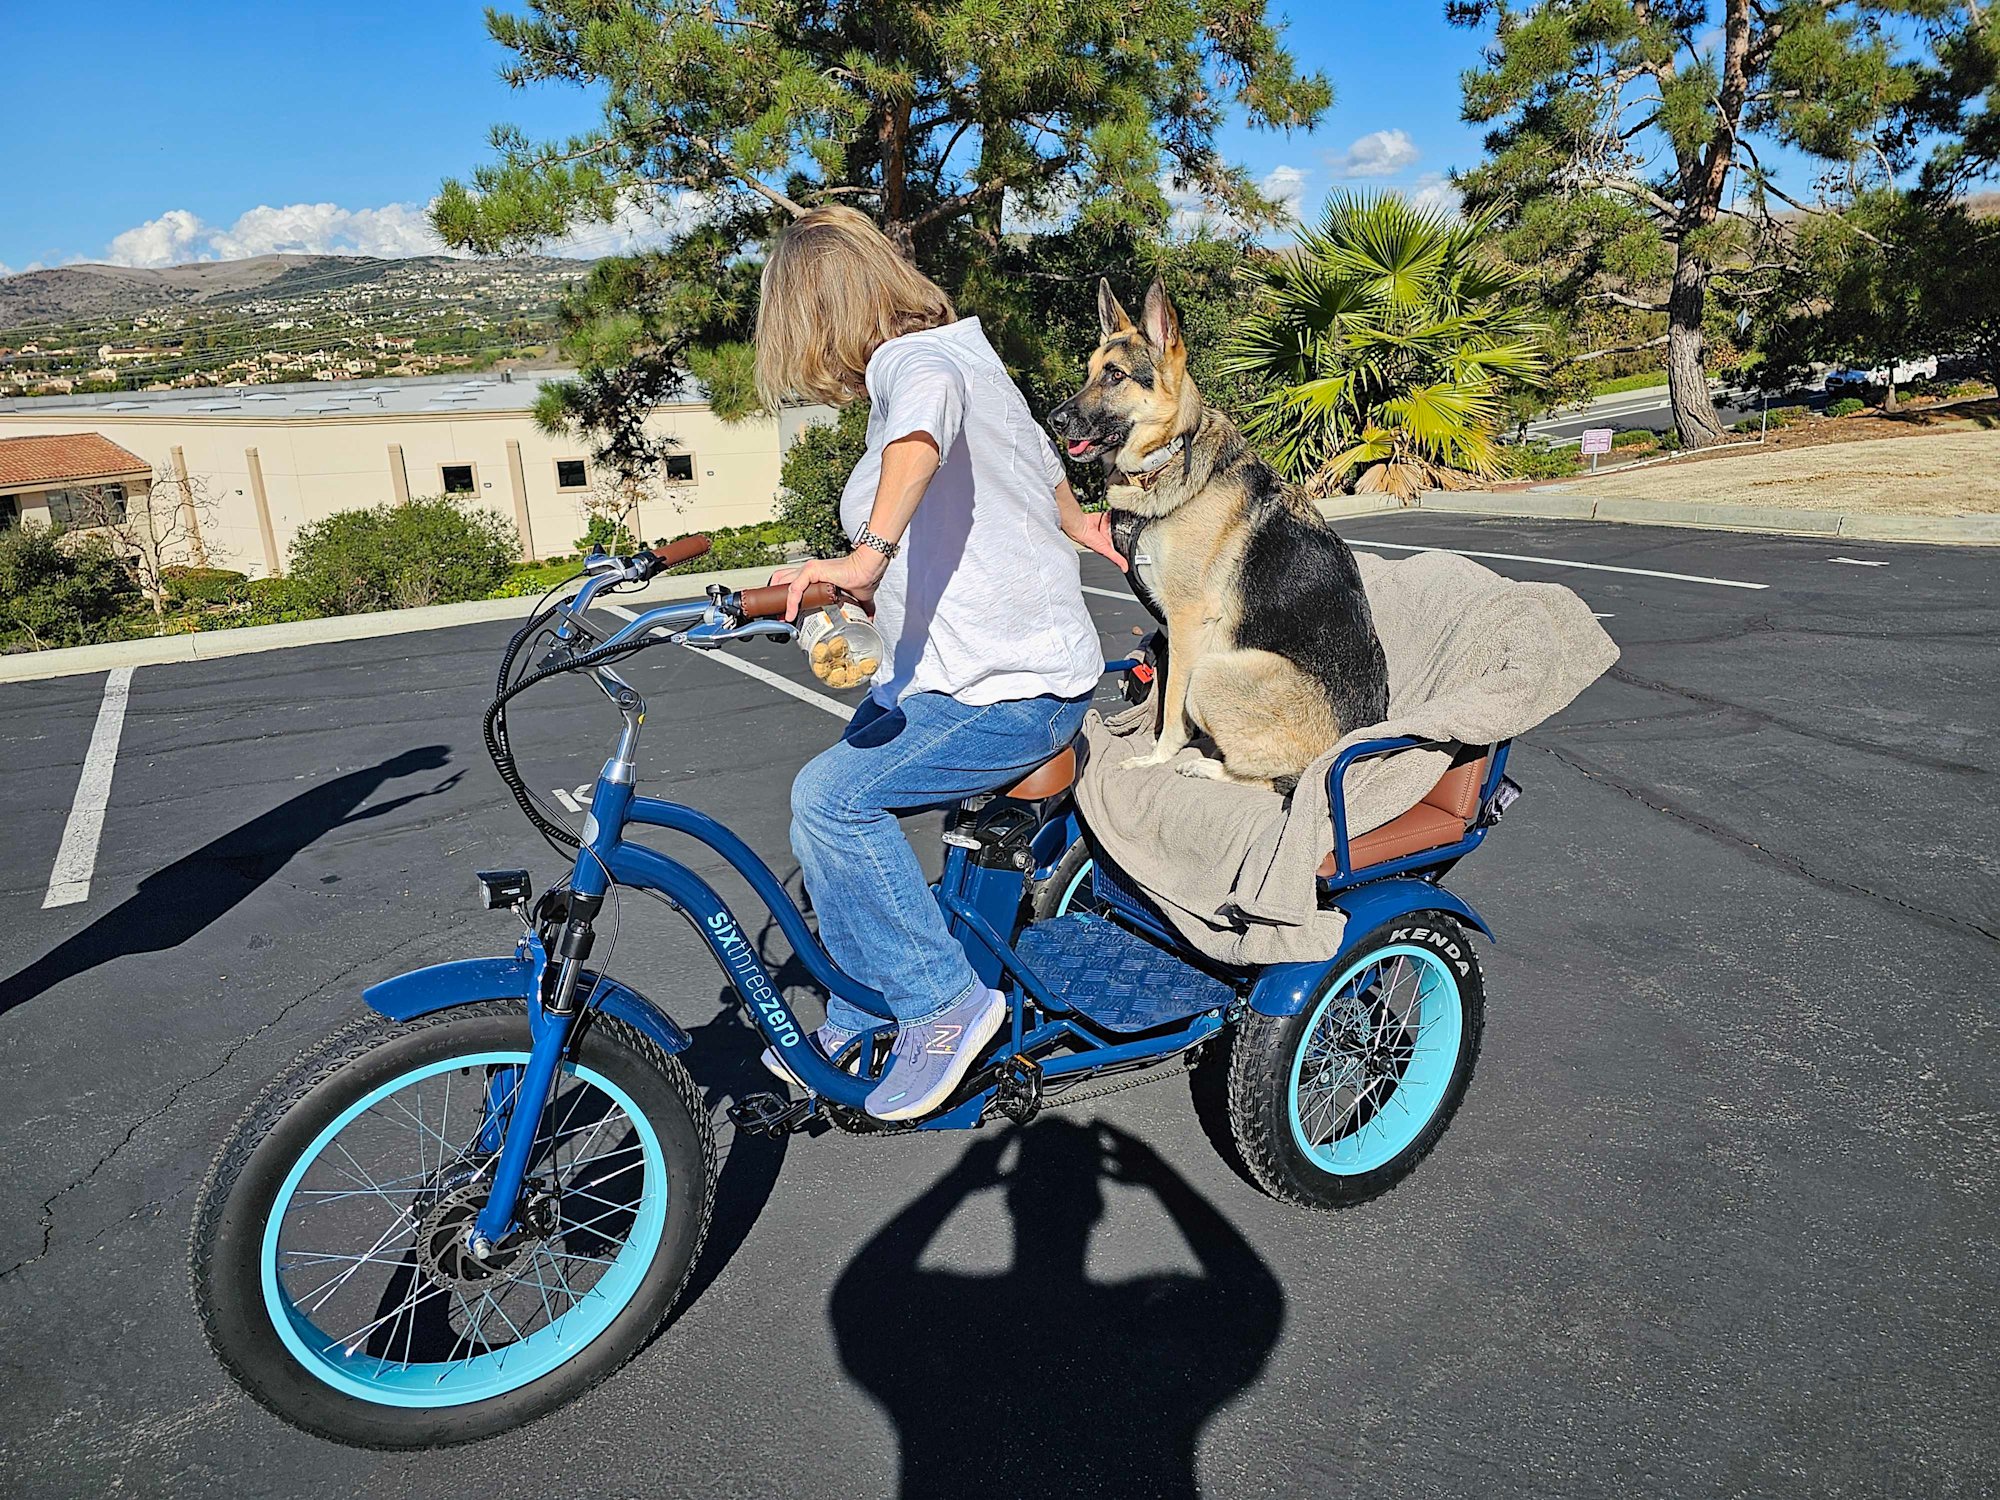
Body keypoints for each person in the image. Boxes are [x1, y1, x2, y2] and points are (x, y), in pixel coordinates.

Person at [755, 206, 1121, 1121]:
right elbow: (1032, 453)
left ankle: (942, 1005)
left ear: (821, 316)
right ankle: (860, 1009)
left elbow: (921, 436)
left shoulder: (913, 364)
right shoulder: (962, 352)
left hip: (1012, 691)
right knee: (823, 822)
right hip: (951, 675)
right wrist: (1073, 522)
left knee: (831, 804)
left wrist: (864, 559)